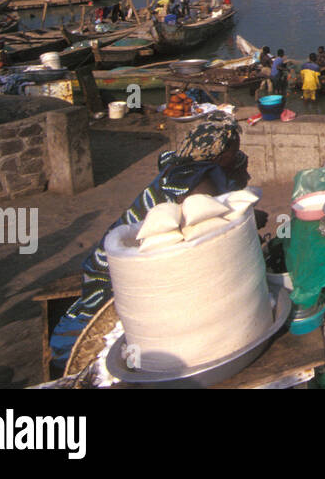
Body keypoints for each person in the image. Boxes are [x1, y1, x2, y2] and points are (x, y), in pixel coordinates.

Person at [48, 114, 259, 374]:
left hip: (103, 258)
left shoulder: (178, 166)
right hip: (118, 270)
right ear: (220, 153)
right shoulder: (199, 181)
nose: (238, 154)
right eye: (234, 148)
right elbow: (204, 233)